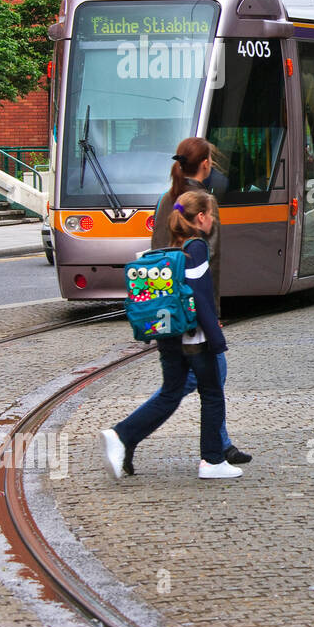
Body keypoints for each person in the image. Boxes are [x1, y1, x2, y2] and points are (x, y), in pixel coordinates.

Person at [101, 191, 242, 479]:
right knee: (212, 394)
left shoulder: (172, 248)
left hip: (168, 335)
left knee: (170, 393)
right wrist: (216, 338)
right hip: (194, 338)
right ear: (201, 217)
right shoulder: (198, 248)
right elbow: (201, 298)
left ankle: (121, 435)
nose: (213, 219)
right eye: (211, 214)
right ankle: (213, 461)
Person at [142, 137, 249, 472]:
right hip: (192, 313)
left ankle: (221, 445)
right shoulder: (203, 203)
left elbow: (157, 250)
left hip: (169, 306)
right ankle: (125, 434)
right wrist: (213, 317)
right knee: (195, 384)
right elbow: (207, 265)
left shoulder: (167, 199)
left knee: (206, 380)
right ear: (206, 164)